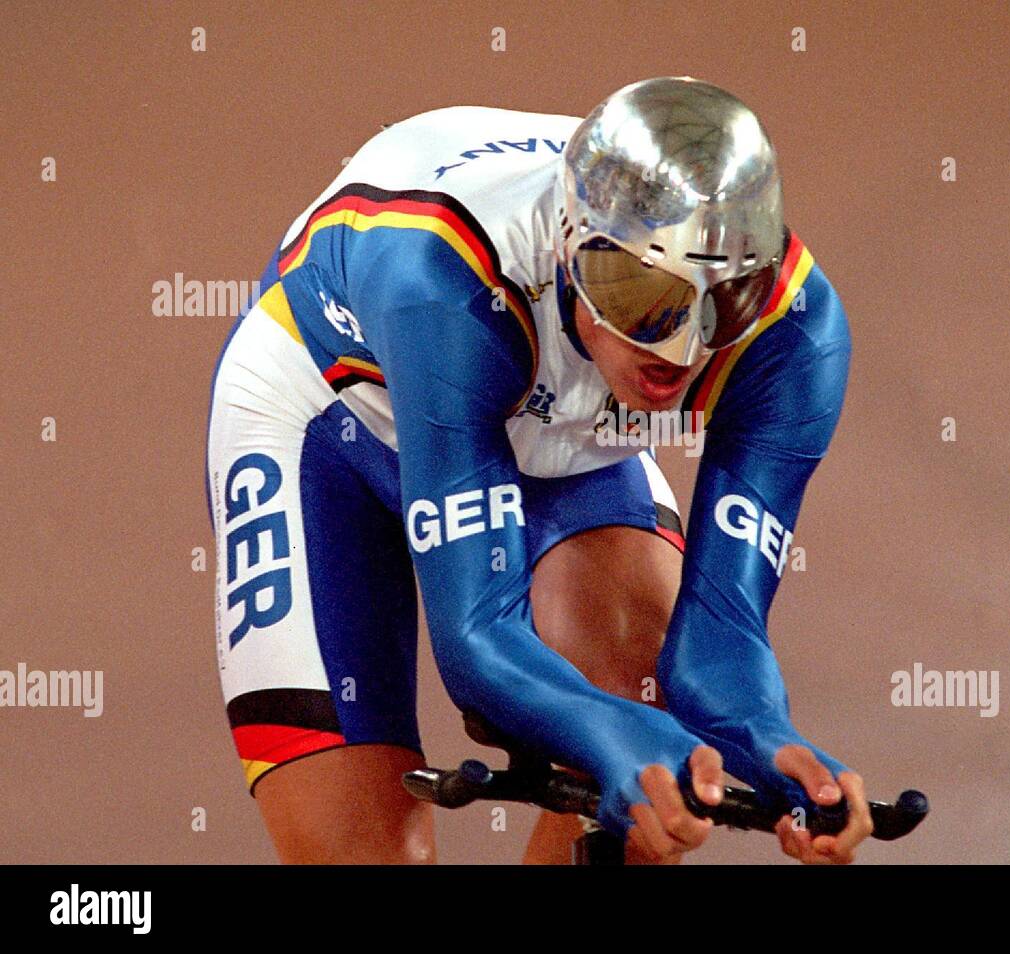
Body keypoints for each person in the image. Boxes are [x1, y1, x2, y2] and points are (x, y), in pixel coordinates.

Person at [205, 76, 870, 864]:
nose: (680, 350)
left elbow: (720, 642)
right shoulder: (443, 284)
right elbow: (479, 642)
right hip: (324, 411)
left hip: (542, 413)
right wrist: (611, 736)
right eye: (643, 297)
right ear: (569, 247)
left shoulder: (795, 334)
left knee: (646, 732)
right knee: (362, 852)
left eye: (721, 304)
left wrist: (770, 740)